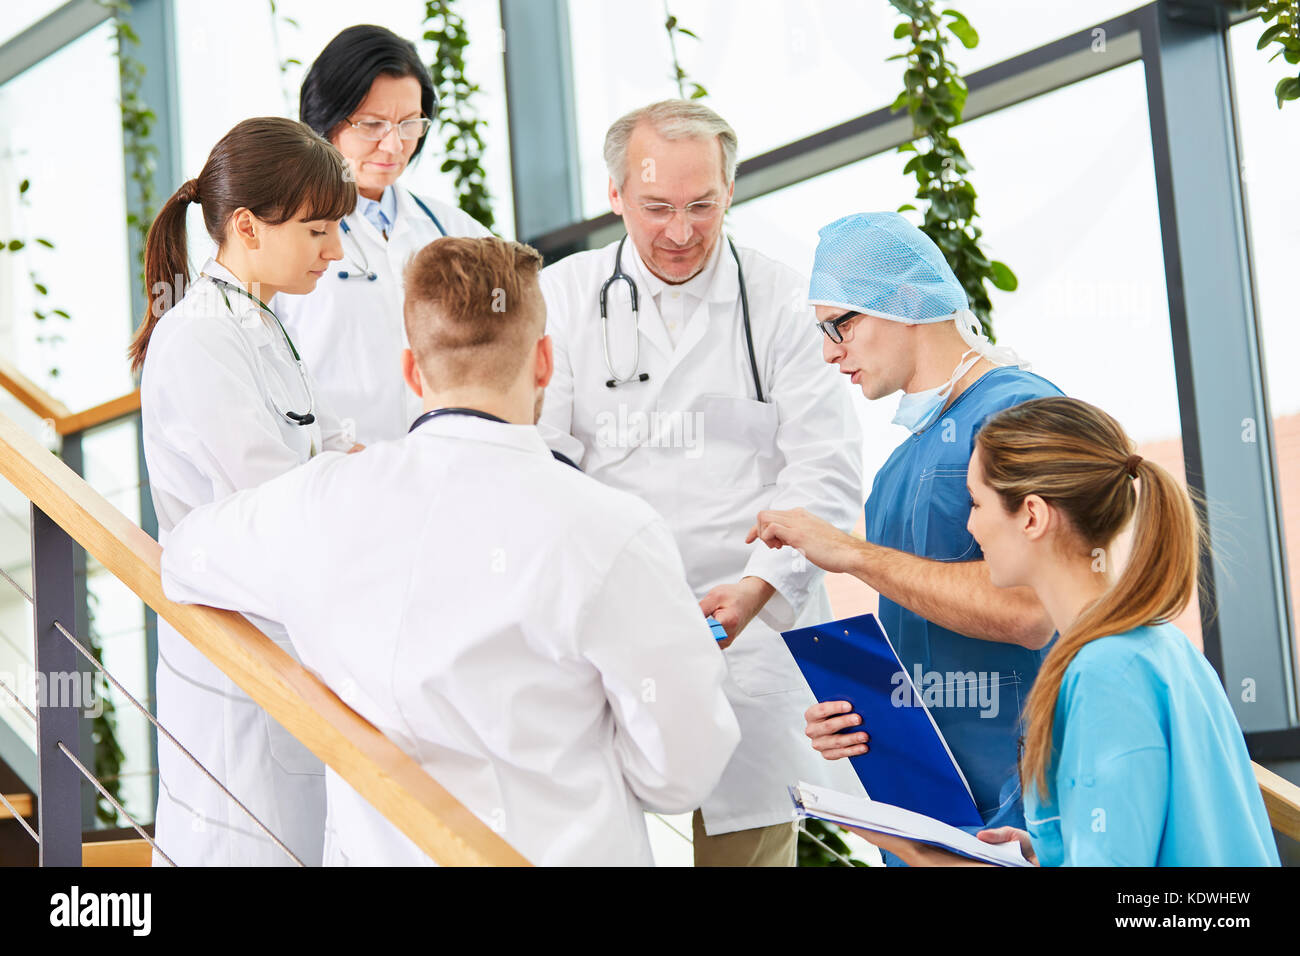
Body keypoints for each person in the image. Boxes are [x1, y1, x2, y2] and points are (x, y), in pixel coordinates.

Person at [158, 236, 742, 866]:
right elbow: (680, 773)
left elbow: (184, 555)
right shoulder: (615, 531)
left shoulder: (316, 505)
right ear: (544, 362)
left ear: (412, 370)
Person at [537, 100, 865, 866]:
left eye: (701, 206)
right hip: (611, 630)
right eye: (656, 208)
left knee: (744, 849)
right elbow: (542, 460)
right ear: (615, 195)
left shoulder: (784, 302)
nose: (680, 232)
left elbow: (827, 467)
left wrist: (759, 586)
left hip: (749, 629)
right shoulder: (562, 298)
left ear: (729, 193)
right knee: (598, 843)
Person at [849, 397, 1280, 866]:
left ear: (1032, 516)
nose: (971, 526)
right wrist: (1050, 846)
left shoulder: (1105, 674)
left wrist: (926, 855)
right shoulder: (1159, 646)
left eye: (975, 503)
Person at [752, 212, 1061, 844]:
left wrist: (851, 554)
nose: (829, 349)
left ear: (907, 300)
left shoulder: (1021, 411)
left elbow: (1033, 610)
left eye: (841, 323)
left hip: (1026, 815)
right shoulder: (896, 470)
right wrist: (863, 714)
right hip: (931, 819)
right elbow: (926, 636)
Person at [130, 117, 361, 865]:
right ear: (246, 226)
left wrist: (344, 468)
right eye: (317, 228)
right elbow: (279, 495)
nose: (333, 249)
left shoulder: (262, 324)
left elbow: (321, 458)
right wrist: (345, 474)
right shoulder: (201, 335)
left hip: (284, 645)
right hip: (237, 662)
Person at [276, 24, 493, 446]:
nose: (393, 146)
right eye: (372, 125)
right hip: (340, 480)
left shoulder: (455, 230)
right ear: (325, 119)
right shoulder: (280, 236)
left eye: (410, 124)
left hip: (449, 470)